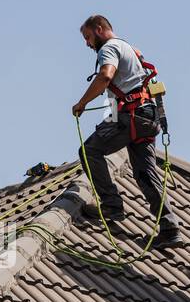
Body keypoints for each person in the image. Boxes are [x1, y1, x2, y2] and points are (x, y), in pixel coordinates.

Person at [71, 15, 182, 247]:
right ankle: (170, 229)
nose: (87, 44)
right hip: (148, 117)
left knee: (89, 151)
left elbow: (105, 76)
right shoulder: (131, 49)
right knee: (145, 174)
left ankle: (111, 207)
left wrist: (82, 103)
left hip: (130, 115)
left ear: (100, 29)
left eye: (88, 37)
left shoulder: (109, 48)